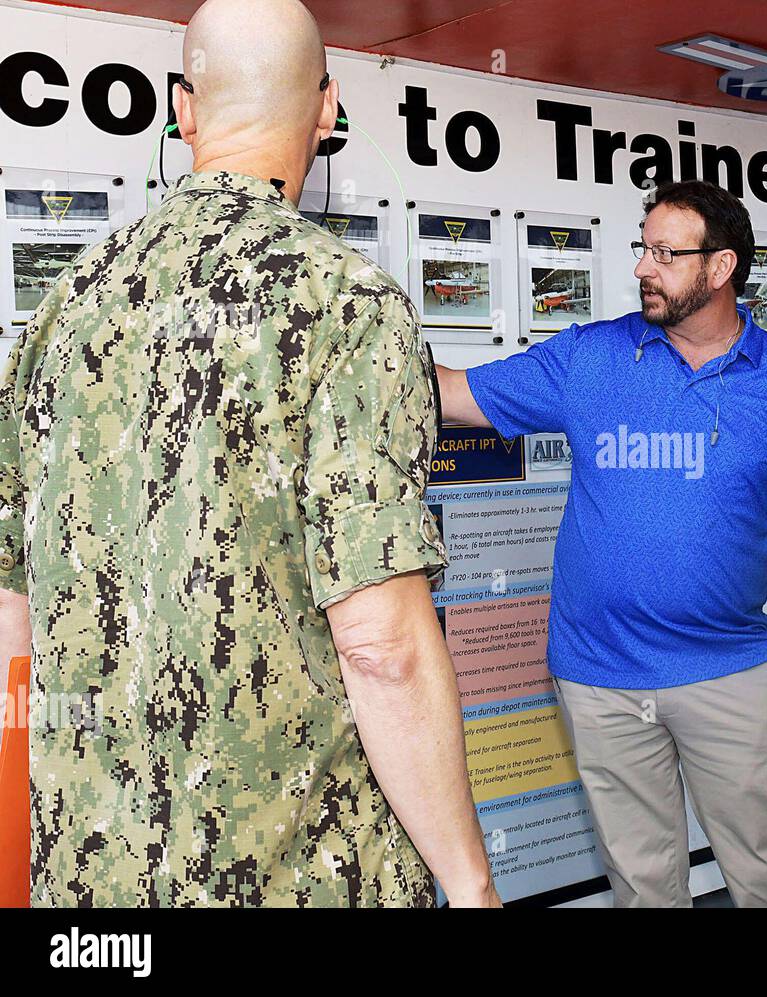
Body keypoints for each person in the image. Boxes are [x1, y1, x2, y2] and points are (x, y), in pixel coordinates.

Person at [0, 0, 498, 907]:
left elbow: (12, 606)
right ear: (327, 110)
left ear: (184, 111)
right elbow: (380, 640)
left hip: (90, 877)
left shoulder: (65, 303)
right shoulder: (346, 303)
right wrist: (469, 880)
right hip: (290, 868)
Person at [437, 180, 767, 907]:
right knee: (643, 883)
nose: (642, 268)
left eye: (665, 253)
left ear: (720, 268)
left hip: (731, 674)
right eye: (643, 248)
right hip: (600, 679)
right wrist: (358, 340)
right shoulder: (591, 357)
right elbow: (456, 395)